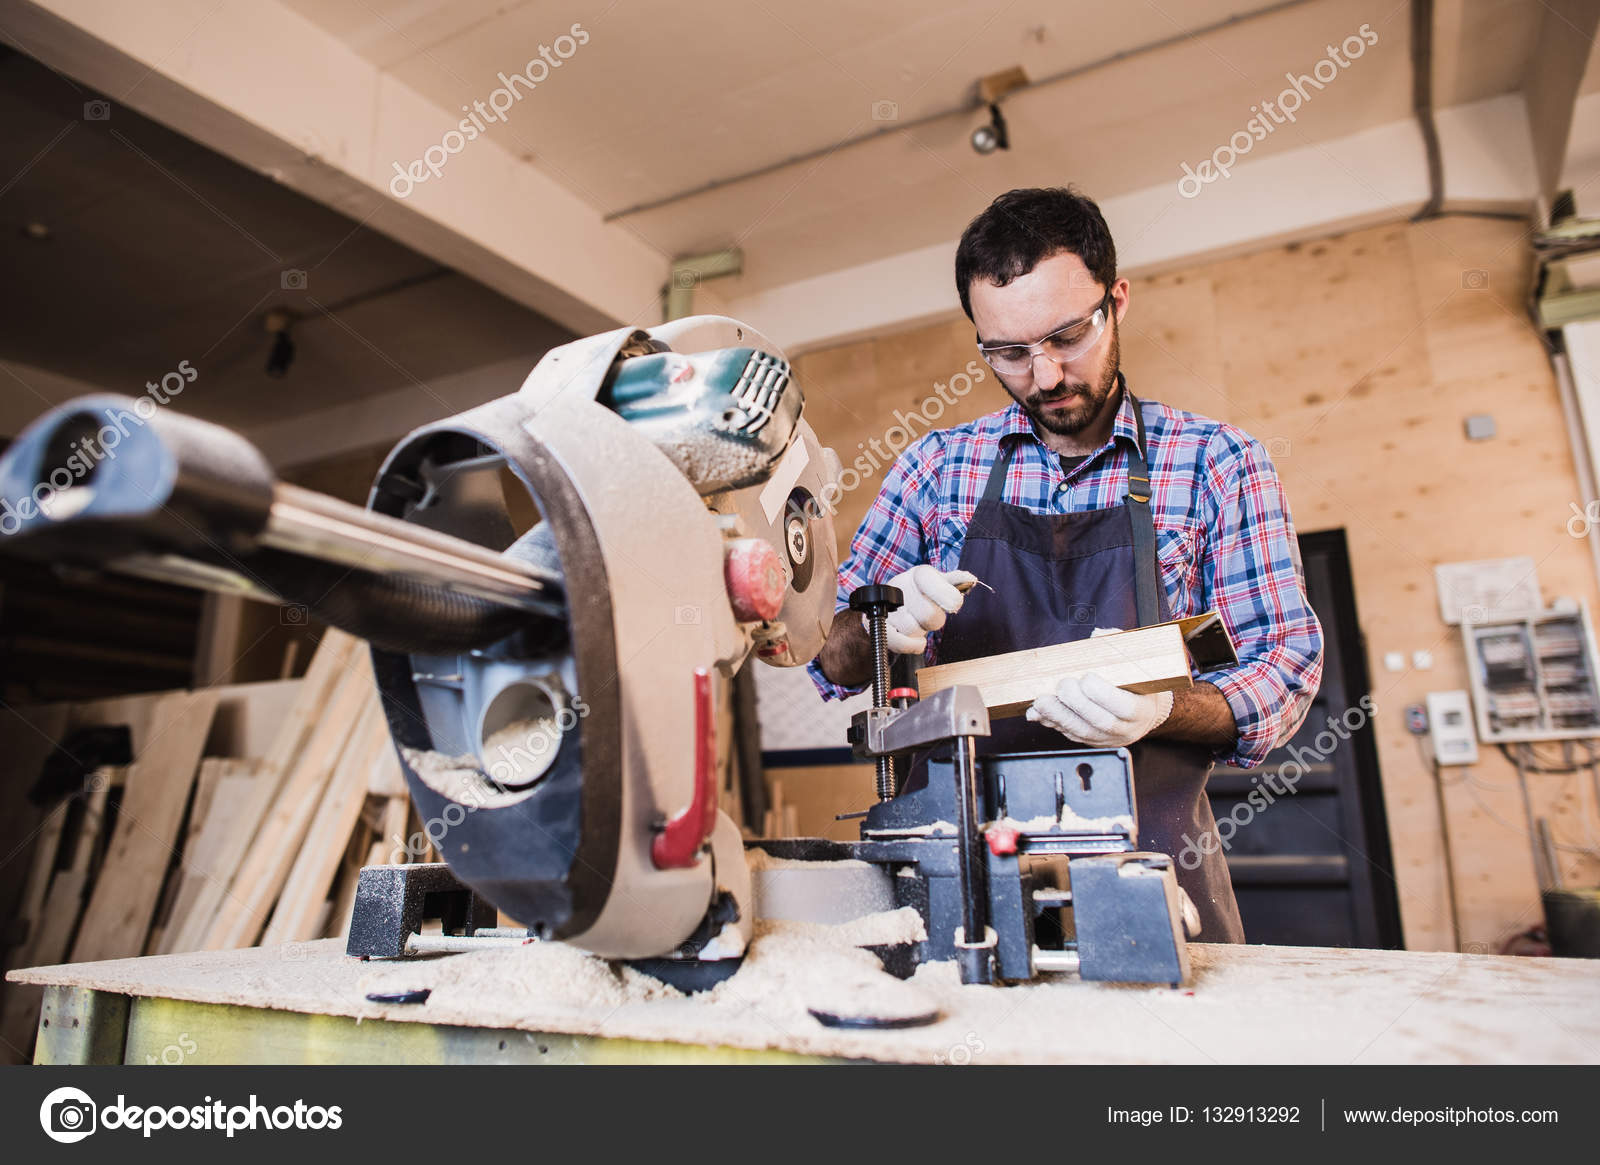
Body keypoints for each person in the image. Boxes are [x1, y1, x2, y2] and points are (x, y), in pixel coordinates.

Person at [809, 186, 1324, 941]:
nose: (1045, 376)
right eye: (1010, 353)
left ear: (1116, 300)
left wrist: (1162, 711)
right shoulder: (936, 468)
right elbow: (832, 654)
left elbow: (1286, 662)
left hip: (1148, 862)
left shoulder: (1215, 462)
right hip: (960, 877)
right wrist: (884, 619)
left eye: (1068, 337)